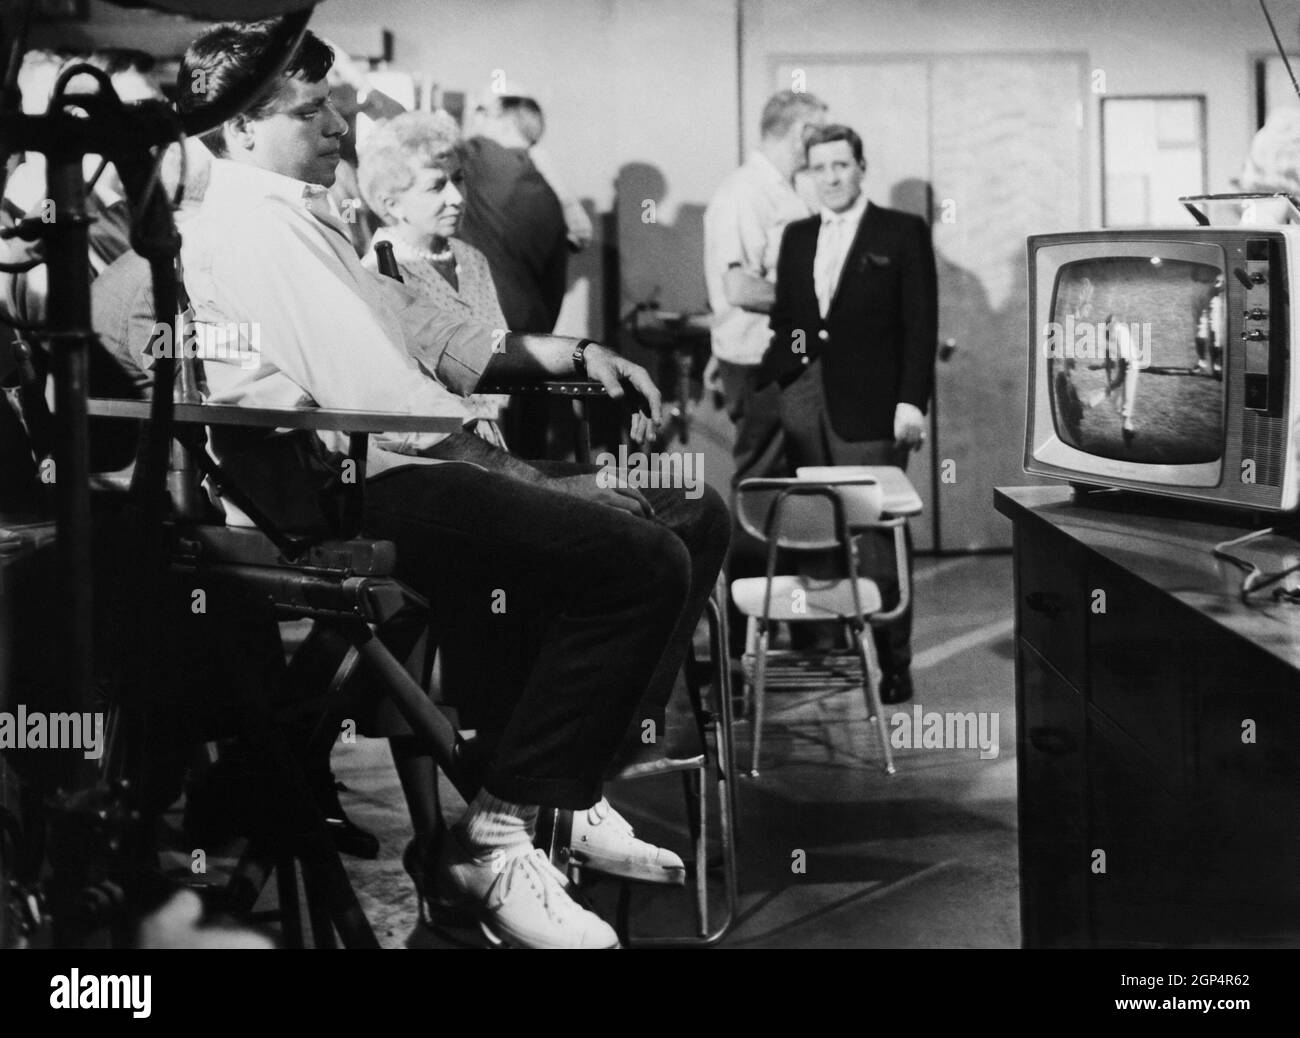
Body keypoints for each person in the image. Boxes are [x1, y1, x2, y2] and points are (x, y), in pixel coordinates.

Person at [152, 21, 728, 949]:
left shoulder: (307, 211)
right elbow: (378, 399)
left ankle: (562, 786)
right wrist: (537, 477)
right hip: (358, 482)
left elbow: (430, 338)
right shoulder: (258, 225)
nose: (341, 123)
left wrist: (574, 359)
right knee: (637, 556)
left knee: (695, 511)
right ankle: (493, 842)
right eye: (315, 111)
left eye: (337, 102)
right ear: (242, 129)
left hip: (404, 452)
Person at [764, 123, 938, 704]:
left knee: (874, 533)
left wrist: (911, 401)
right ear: (808, 175)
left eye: (841, 165)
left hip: (872, 408)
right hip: (804, 400)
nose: (831, 178)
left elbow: (921, 326)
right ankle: (829, 644)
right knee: (815, 528)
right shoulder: (795, 236)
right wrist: (786, 371)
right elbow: (789, 322)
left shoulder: (901, 231)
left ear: (861, 167)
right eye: (820, 168)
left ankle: (894, 661)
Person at [458, 87, 572, 458]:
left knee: (492, 467)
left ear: (502, 120)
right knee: (533, 464)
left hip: (485, 345)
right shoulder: (547, 192)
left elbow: (406, 129)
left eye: (483, 112)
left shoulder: (480, 159)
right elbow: (557, 273)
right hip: (534, 344)